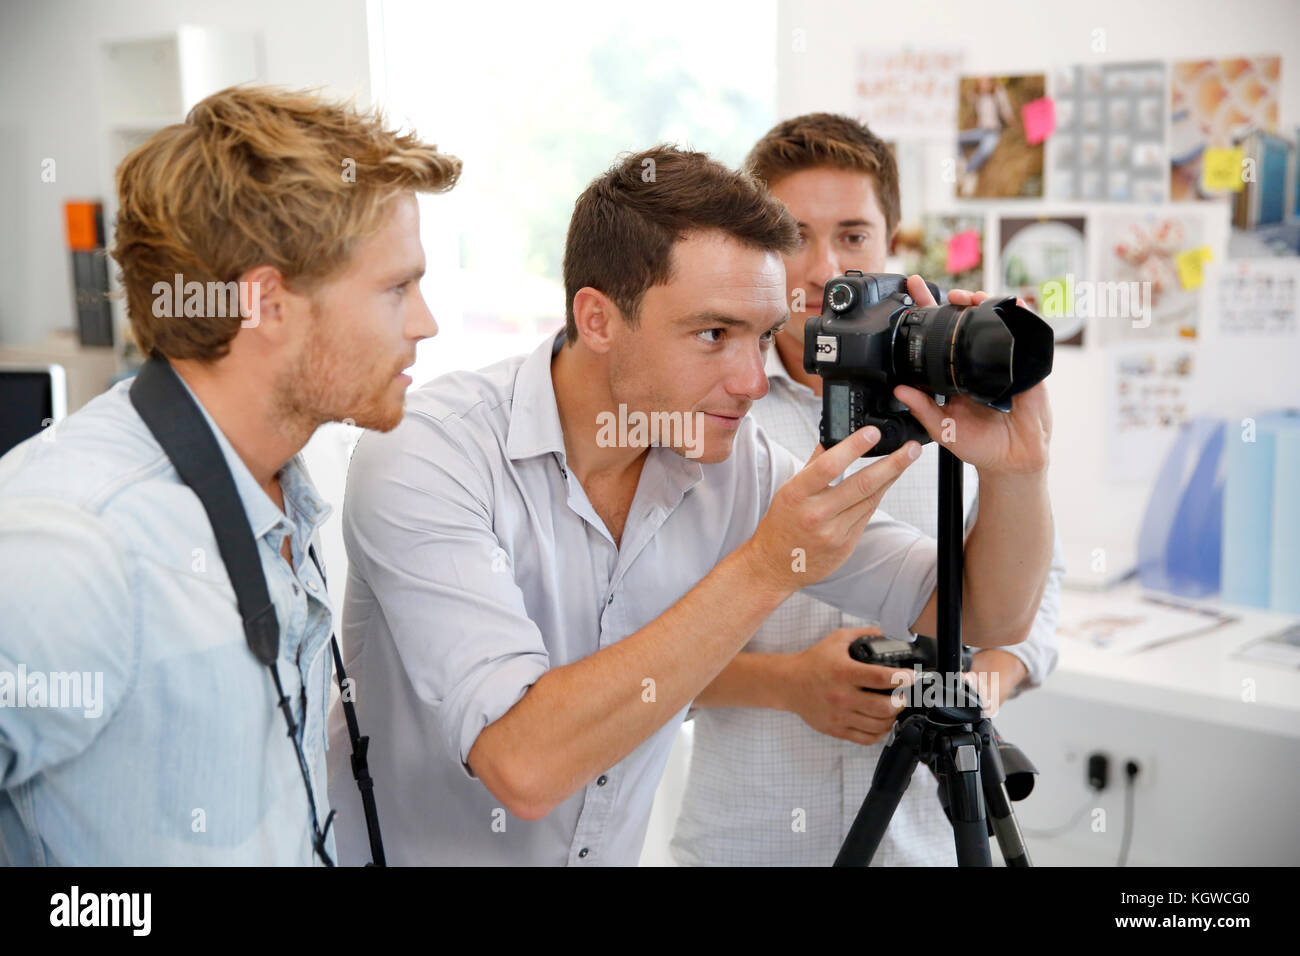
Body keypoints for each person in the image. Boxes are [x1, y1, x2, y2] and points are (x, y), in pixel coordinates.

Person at [327, 144, 1055, 866]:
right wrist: (768, 566)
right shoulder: (427, 454)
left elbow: (982, 616)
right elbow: (526, 765)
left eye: (762, 337)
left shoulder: (729, 464)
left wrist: (1018, 474)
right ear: (599, 319)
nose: (750, 381)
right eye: (713, 334)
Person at [0, 85, 460, 864]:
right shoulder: (75, 543)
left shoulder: (271, 489)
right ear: (268, 303)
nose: (425, 323)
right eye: (396, 288)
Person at [671, 112, 1066, 866]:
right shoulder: (709, 408)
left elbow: (1038, 594)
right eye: (793, 236)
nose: (823, 269)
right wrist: (783, 684)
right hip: (750, 839)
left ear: (892, 239)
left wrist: (987, 674)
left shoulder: (957, 391)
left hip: (926, 838)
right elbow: (631, 651)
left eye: (852, 235)